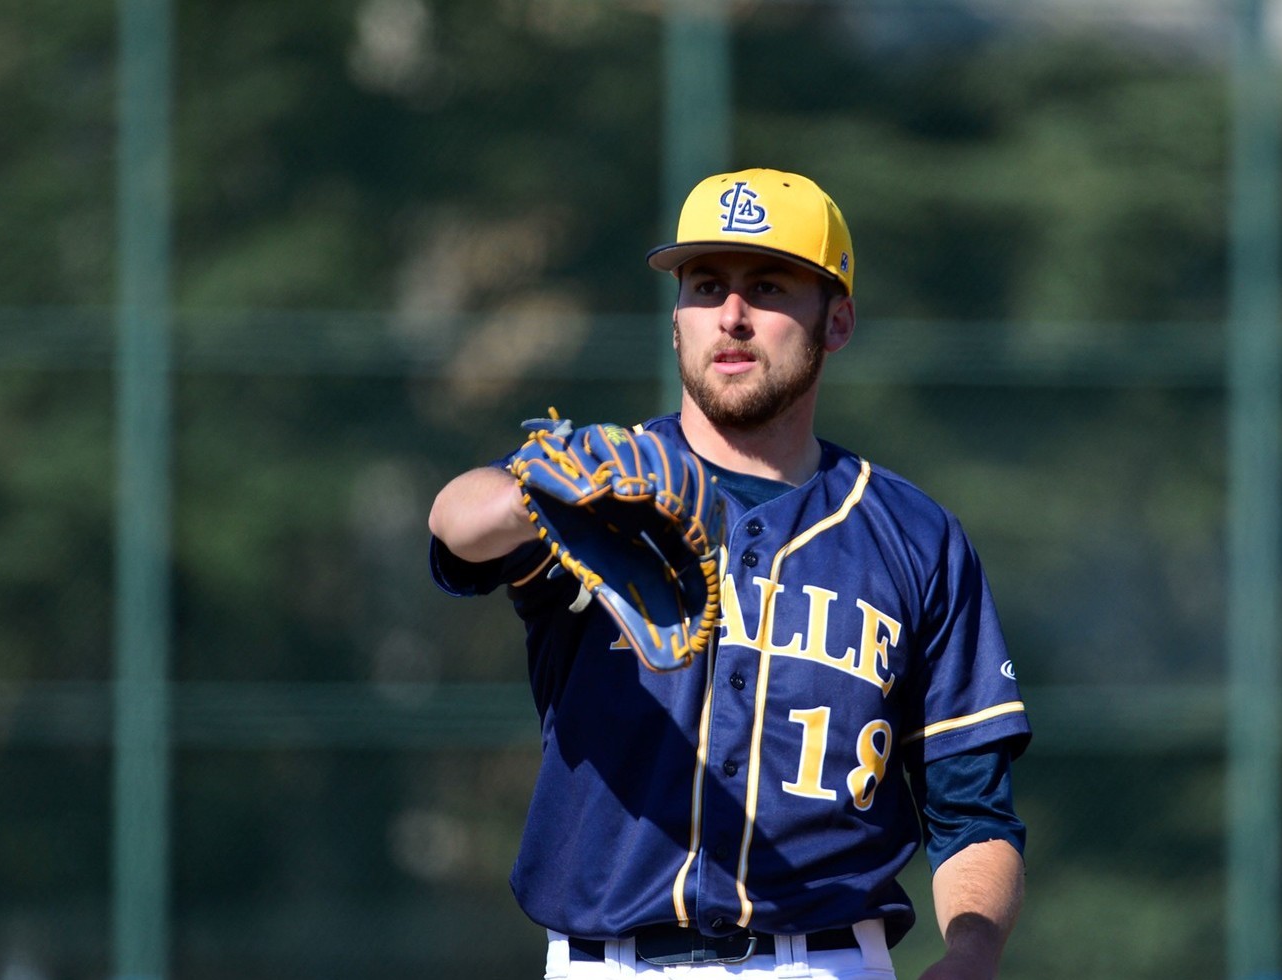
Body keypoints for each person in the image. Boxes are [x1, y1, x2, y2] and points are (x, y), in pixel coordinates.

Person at [427, 168, 1030, 979]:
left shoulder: (915, 539)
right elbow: (457, 522)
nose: (733, 316)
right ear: (677, 320)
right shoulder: (598, 485)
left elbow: (973, 812)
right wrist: (538, 492)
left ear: (838, 319)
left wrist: (973, 950)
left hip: (825, 963)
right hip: (607, 965)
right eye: (706, 286)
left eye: (770, 286)